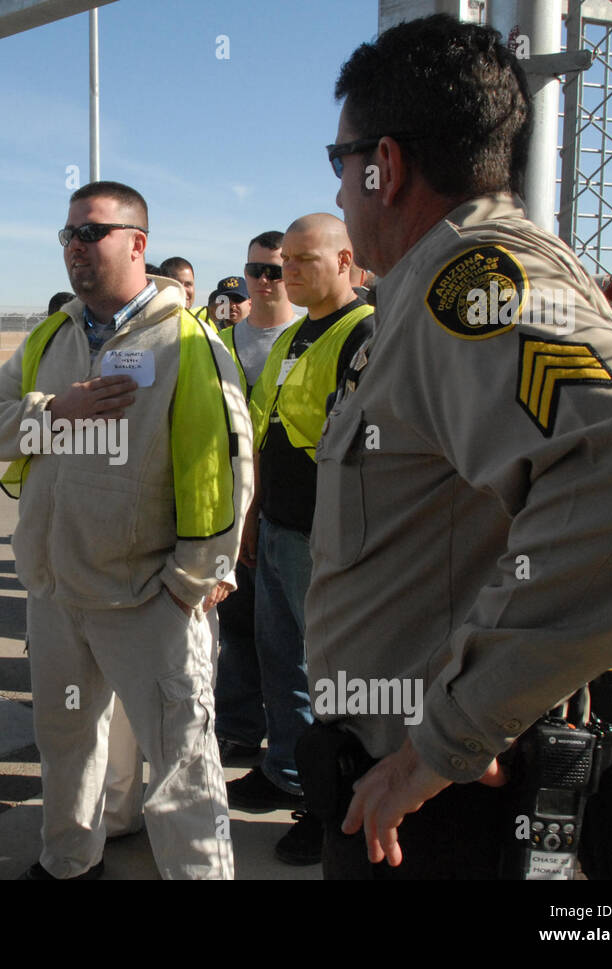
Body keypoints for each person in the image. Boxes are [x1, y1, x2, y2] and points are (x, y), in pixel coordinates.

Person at [304, 14, 612, 879]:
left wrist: (442, 742)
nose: (342, 194)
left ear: (386, 165)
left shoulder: (470, 282)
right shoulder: (438, 284)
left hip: (443, 812)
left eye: (339, 162)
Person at [0, 180, 252, 879]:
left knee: (180, 762)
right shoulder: (51, 335)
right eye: (67, 234)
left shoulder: (185, 339)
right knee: (66, 740)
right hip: (57, 589)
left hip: (146, 597)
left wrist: (195, 579)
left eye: (91, 232)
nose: (75, 246)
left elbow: (225, 465)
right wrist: (53, 409)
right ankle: (70, 859)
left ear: (137, 242)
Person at [232, 214, 375, 867]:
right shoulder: (297, 334)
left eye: (303, 260)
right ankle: (287, 770)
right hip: (281, 527)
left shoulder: (362, 331)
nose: (286, 272)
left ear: (346, 261)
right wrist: (255, 510)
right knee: (281, 660)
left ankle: (326, 810)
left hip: (327, 539)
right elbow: (269, 429)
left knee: (331, 679)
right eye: (282, 261)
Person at [212, 231, 298, 769]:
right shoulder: (220, 341)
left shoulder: (306, 339)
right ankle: (239, 730)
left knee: (290, 647)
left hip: (283, 510)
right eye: (255, 270)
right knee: (238, 631)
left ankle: (291, 761)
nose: (264, 281)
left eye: (275, 271)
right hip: (228, 505)